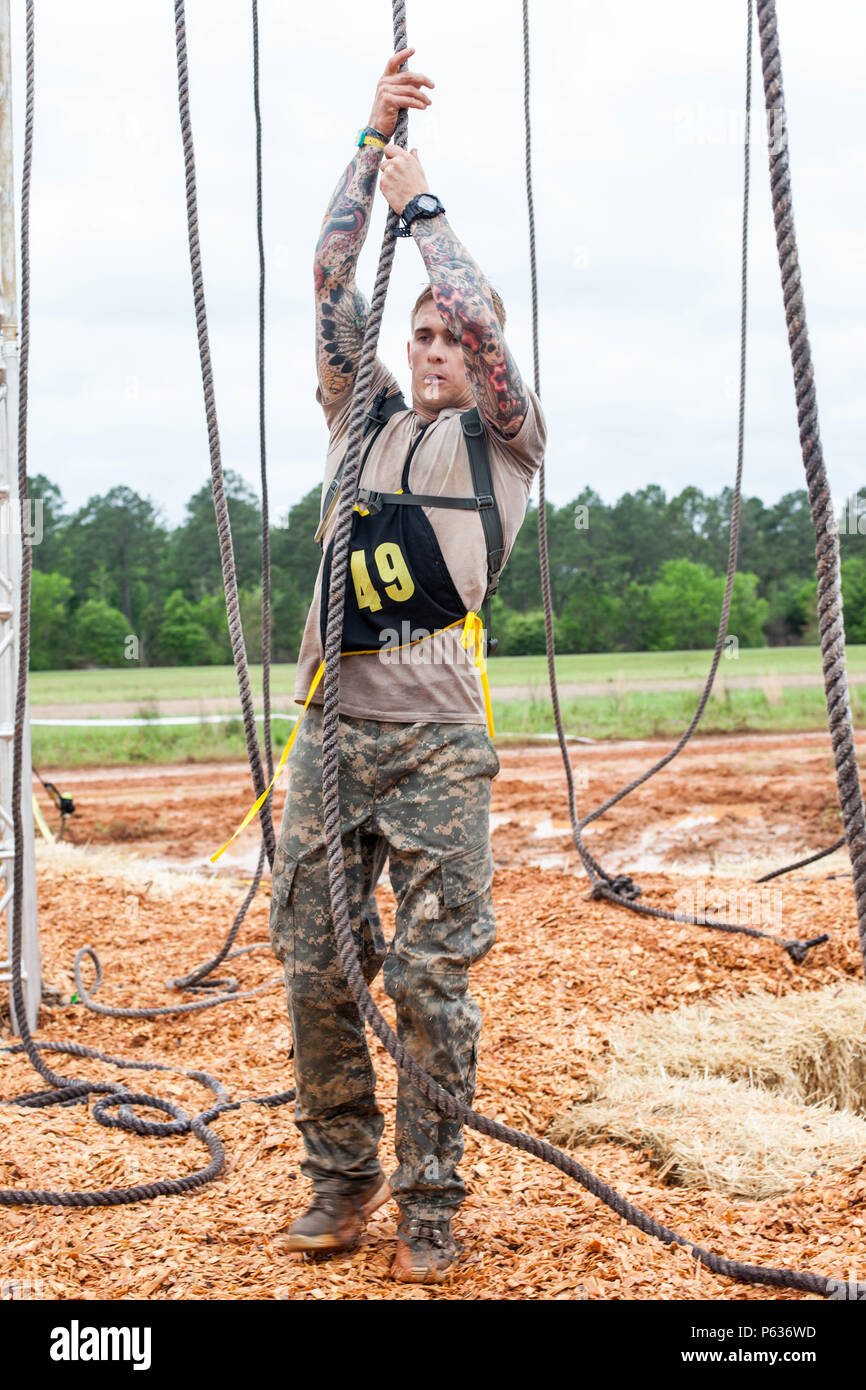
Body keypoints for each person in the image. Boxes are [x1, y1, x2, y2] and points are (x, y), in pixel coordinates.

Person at [270, 47, 546, 1284]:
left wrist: (421, 207)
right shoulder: (363, 422)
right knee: (315, 959)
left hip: (435, 745)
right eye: (419, 332)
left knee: (433, 977)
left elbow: (484, 317)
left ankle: (431, 1200)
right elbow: (331, 282)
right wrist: (366, 143)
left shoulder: (503, 443)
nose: (433, 342)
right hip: (331, 734)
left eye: (444, 335)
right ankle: (342, 1176)